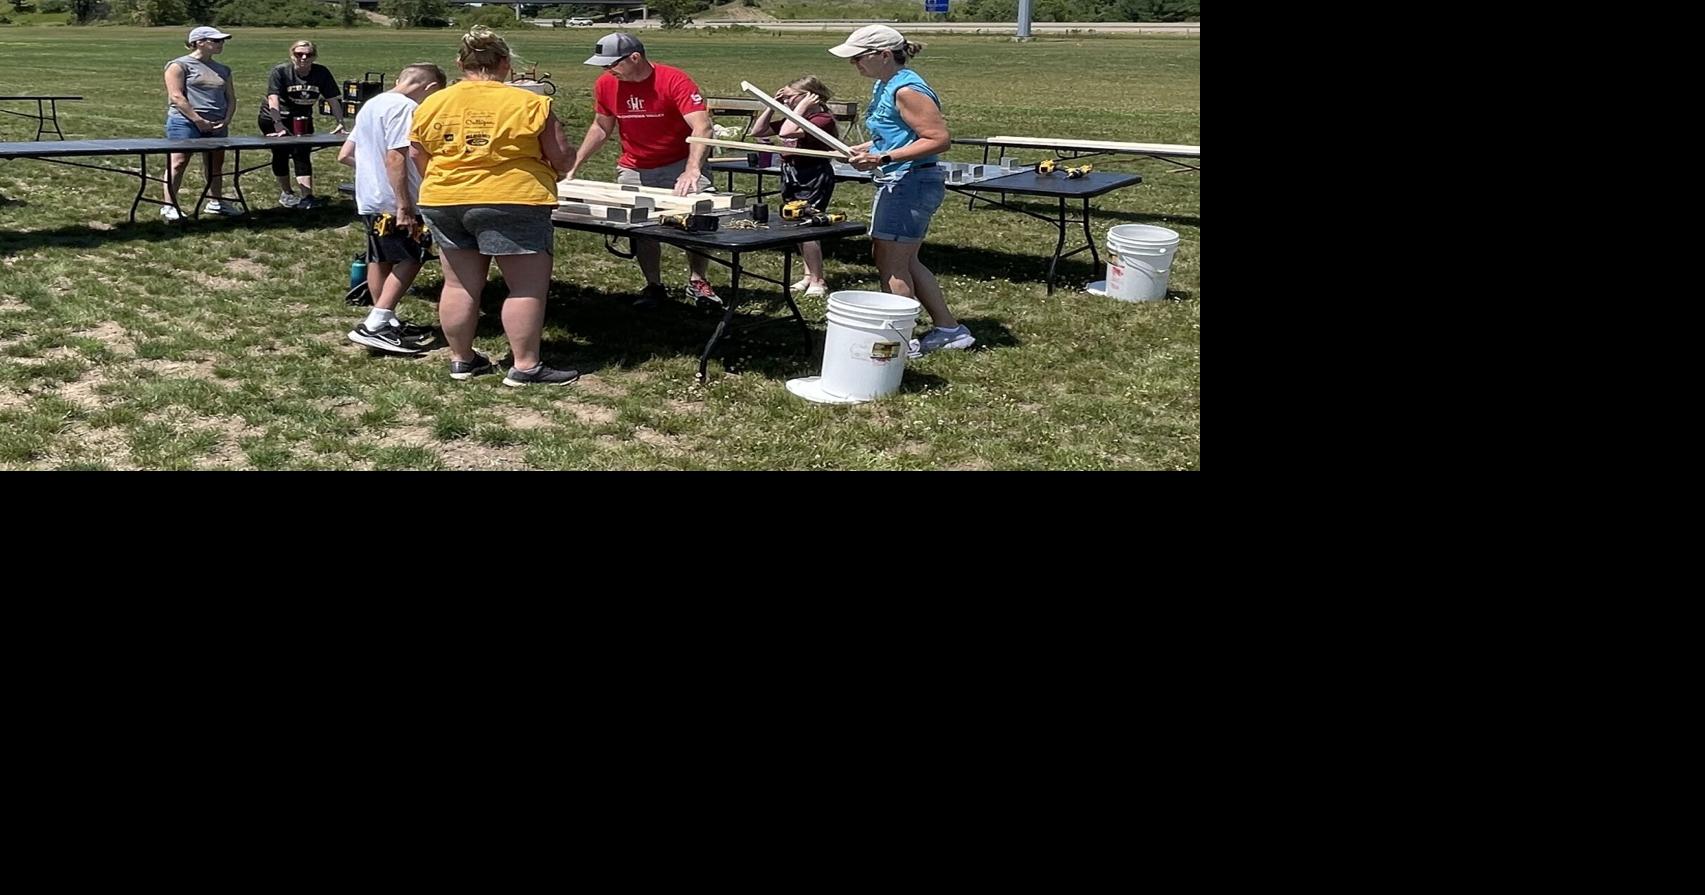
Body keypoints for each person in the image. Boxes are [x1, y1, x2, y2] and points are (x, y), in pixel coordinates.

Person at [410, 26, 578, 387]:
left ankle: (462, 359)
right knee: (526, 287)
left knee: (458, 285)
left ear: (460, 63)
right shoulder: (530, 103)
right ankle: (526, 366)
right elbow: (562, 158)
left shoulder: (433, 103)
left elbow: (417, 153)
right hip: (512, 197)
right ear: (505, 64)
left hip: (444, 198)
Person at [831, 25, 974, 355]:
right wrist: (866, 148)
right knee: (903, 261)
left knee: (891, 263)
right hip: (900, 180)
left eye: (858, 58)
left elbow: (938, 139)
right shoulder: (885, 85)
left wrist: (882, 157)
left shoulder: (907, 90)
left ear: (884, 55)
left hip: (910, 183)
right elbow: (895, 135)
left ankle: (899, 339)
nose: (855, 65)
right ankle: (949, 330)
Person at [566, 33, 719, 308]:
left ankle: (698, 280)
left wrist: (692, 169)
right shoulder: (606, 84)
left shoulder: (674, 80)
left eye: (611, 64)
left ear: (635, 57)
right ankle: (654, 286)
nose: (607, 70)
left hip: (679, 162)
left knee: (698, 220)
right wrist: (574, 164)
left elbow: (702, 126)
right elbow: (601, 127)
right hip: (635, 165)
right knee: (642, 227)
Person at [337, 63, 446, 356]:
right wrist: (404, 204)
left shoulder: (372, 104)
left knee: (380, 258)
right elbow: (396, 158)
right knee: (414, 255)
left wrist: (371, 173)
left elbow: (345, 154)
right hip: (396, 200)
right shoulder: (406, 109)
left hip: (370, 197)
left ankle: (386, 317)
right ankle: (377, 321)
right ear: (430, 88)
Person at [749, 76, 839, 299]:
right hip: (792, 172)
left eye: (790, 97)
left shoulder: (821, 119)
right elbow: (758, 131)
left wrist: (799, 107)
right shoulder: (798, 117)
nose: (786, 102)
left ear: (809, 97)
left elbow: (786, 132)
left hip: (813, 174)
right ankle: (808, 274)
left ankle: (818, 279)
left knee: (807, 225)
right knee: (795, 221)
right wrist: (772, 105)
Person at [162, 26, 240, 221]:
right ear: (199, 42)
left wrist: (227, 119)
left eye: (222, 41)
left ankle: (216, 202)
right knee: (178, 162)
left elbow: (231, 98)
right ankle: (169, 205)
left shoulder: (223, 70)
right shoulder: (179, 65)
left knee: (216, 164)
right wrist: (198, 120)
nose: (220, 44)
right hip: (184, 122)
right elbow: (176, 96)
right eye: (216, 40)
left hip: (217, 124)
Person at [260, 39, 348, 209]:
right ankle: (287, 193)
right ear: (292, 55)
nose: (303, 58)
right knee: (281, 152)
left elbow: (332, 99)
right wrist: (277, 123)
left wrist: (340, 122)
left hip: (302, 117)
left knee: (302, 152)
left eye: (308, 54)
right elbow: (273, 98)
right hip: (275, 116)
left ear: (314, 56)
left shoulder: (321, 73)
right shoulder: (281, 72)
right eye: (299, 54)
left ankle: (307, 196)